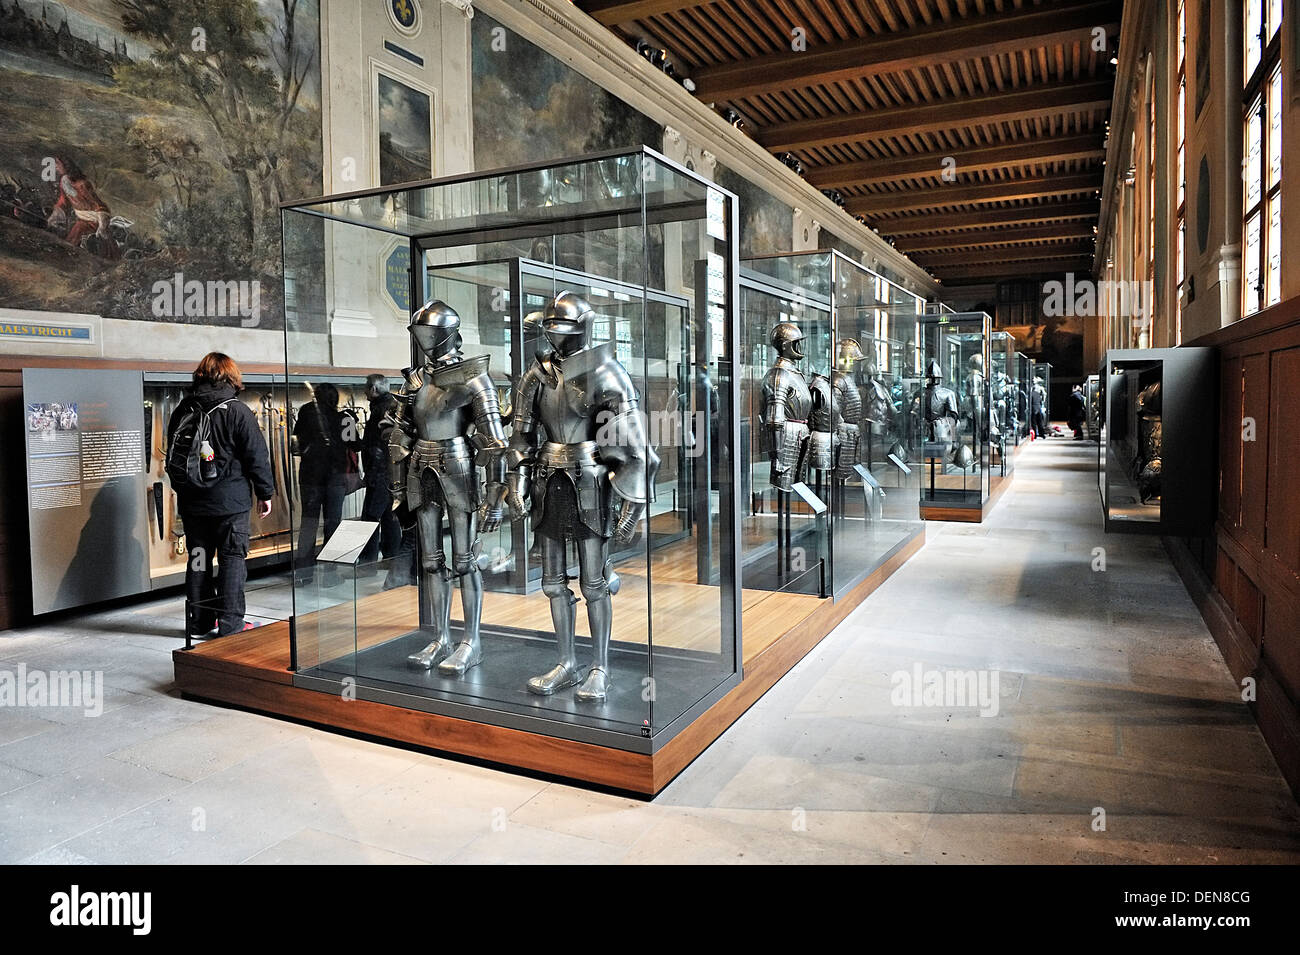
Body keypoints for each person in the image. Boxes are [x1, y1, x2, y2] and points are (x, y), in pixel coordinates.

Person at [169, 353, 274, 636]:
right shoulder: (237, 411)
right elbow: (257, 456)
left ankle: (200, 622)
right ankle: (230, 624)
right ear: (231, 377)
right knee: (231, 560)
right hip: (230, 504)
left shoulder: (183, 410)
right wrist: (265, 493)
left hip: (193, 505)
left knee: (199, 558)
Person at [293, 383, 359, 584]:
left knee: (308, 524)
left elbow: (295, 445)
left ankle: (304, 574)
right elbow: (356, 444)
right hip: (335, 476)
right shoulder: (342, 418)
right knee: (333, 524)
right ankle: (330, 575)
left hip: (310, 477)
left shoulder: (305, 412)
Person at [357, 373, 404, 576]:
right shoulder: (391, 405)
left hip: (382, 471)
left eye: (366, 388)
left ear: (374, 389)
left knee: (370, 516)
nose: (365, 393)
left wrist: (373, 473)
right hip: (391, 471)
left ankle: (368, 564)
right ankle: (391, 557)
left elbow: (381, 444)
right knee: (388, 515)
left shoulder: (381, 410)